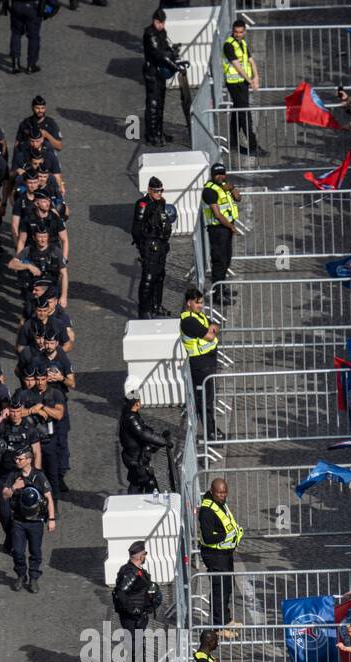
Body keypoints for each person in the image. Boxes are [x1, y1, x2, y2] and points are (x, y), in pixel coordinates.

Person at [0, 446, 55, 593]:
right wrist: (14, 487)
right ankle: (21, 575)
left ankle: (34, 578)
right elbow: (5, 495)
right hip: (18, 520)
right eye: (16, 459)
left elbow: (49, 497)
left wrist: (51, 519)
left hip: (36, 521)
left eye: (20, 459)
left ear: (29, 460)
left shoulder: (39, 476)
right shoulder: (14, 475)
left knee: (35, 551)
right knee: (17, 551)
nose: (17, 461)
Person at [112, 541, 161, 662]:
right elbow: (120, 593)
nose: (145, 556)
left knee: (138, 648)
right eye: (145, 554)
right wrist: (134, 610)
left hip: (138, 617)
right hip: (132, 618)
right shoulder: (130, 573)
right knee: (134, 649)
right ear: (140, 556)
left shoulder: (137, 571)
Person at [197, 478, 242, 626]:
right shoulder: (207, 511)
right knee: (219, 589)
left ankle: (226, 620)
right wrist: (227, 536)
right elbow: (208, 537)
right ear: (212, 491)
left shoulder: (221, 504)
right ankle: (218, 625)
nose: (223, 495)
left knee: (227, 587)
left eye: (225, 492)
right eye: (220, 493)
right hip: (214, 555)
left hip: (224, 553)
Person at [180, 286, 222, 441]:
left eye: (202, 302)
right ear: (188, 303)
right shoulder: (188, 321)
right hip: (200, 365)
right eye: (197, 303)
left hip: (208, 362)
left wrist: (211, 330)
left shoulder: (199, 316)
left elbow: (216, 326)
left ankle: (212, 428)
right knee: (205, 401)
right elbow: (210, 336)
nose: (200, 306)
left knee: (209, 399)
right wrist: (210, 331)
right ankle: (210, 433)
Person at [142, 9, 185, 148]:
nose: (161, 25)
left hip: (159, 72)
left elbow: (165, 48)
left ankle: (158, 132)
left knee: (160, 103)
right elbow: (159, 55)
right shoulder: (150, 34)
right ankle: (152, 135)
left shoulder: (161, 32)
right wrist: (175, 66)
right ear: (154, 21)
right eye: (159, 22)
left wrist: (173, 51)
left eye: (162, 23)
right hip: (152, 72)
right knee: (153, 105)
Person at [131, 177, 172, 320]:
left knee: (160, 275)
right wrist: (142, 247)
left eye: (161, 190)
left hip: (161, 243)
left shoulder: (162, 202)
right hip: (148, 244)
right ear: (149, 190)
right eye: (156, 191)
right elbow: (136, 229)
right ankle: (144, 310)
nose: (159, 193)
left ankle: (156, 305)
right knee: (148, 277)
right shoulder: (142, 204)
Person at [223, 16, 264, 156]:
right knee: (245, 114)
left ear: (245, 32)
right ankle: (253, 146)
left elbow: (251, 61)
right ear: (233, 31)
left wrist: (256, 77)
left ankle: (233, 142)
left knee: (238, 110)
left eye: (241, 32)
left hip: (243, 83)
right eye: (236, 32)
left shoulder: (243, 43)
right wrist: (250, 80)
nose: (238, 34)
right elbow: (237, 66)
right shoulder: (228, 45)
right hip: (234, 83)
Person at [200, 165, 240, 301]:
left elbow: (238, 198)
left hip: (226, 228)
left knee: (226, 260)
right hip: (217, 229)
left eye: (222, 174)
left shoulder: (225, 186)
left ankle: (221, 287)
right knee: (219, 261)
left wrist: (232, 188)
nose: (220, 177)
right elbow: (217, 214)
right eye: (217, 174)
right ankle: (217, 294)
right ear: (212, 175)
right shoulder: (209, 191)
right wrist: (231, 227)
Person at [118, 394, 170, 495]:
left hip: (133, 456)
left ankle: (132, 503)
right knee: (147, 481)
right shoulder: (131, 418)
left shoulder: (128, 414)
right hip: (136, 458)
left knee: (137, 481)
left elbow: (145, 430)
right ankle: (152, 505)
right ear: (136, 403)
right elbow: (143, 433)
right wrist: (162, 441)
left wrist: (158, 437)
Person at [8, 0, 42, 76]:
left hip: (16, 5)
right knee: (33, 36)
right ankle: (31, 65)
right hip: (33, 6)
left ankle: (15, 64)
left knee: (16, 33)